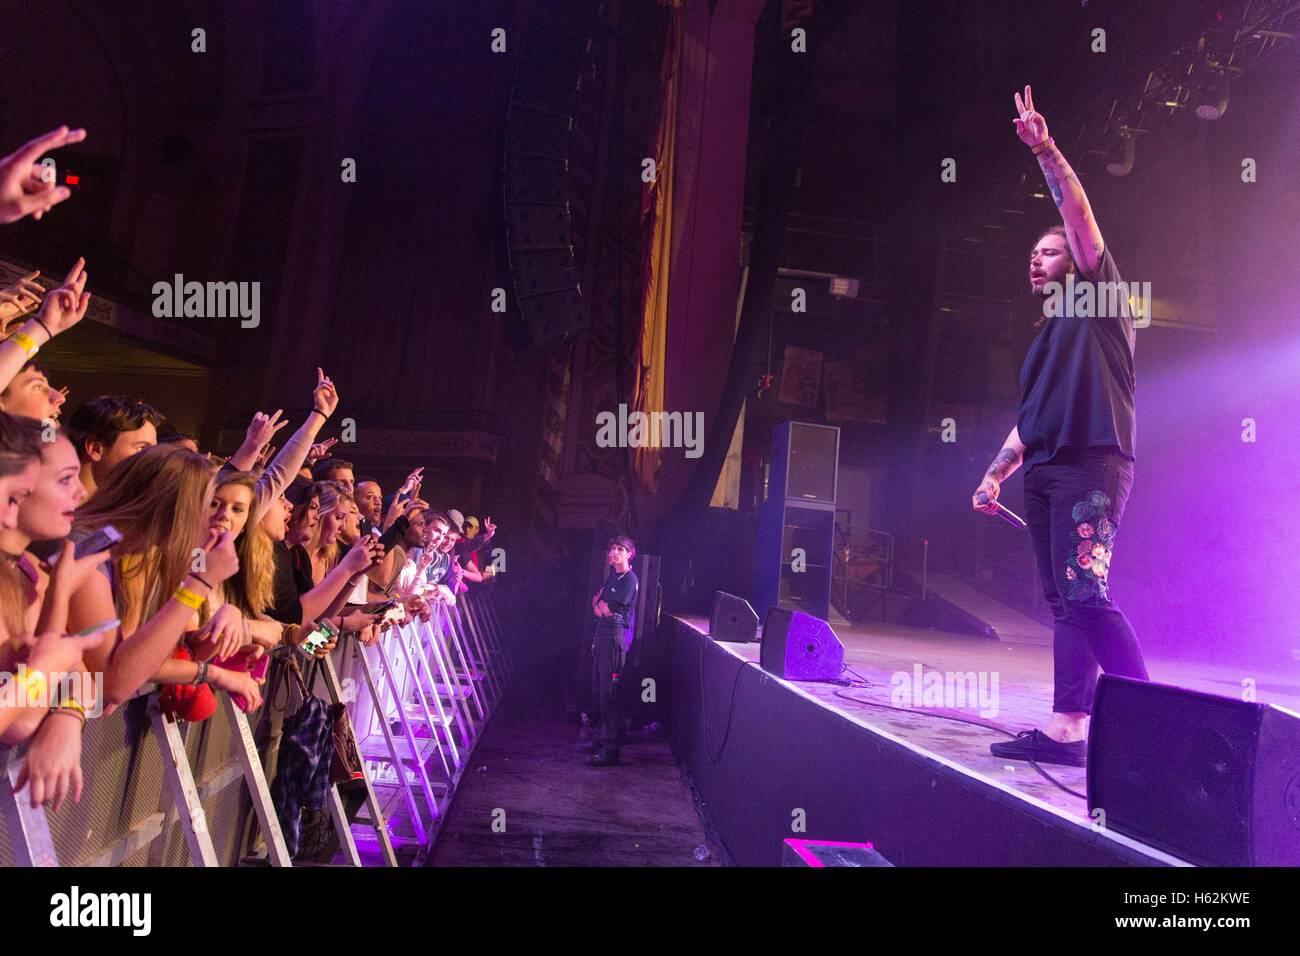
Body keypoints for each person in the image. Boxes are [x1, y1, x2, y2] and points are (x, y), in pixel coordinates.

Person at [974, 86, 1147, 768]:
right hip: (1046, 470)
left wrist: (1045, 150)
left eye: (1049, 251)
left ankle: (1151, 723)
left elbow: (1079, 213)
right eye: (1033, 254)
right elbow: (1029, 423)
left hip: (1092, 462)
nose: (1036, 258)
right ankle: (1069, 728)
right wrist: (993, 476)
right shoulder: (1046, 338)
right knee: (1063, 602)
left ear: (1076, 260)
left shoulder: (1102, 301)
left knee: (1085, 594)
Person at [584, 536, 638, 768]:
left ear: (629, 554)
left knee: (610, 692)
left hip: (614, 638)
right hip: (603, 636)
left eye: (619, 549)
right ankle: (601, 738)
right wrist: (600, 608)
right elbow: (598, 607)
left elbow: (606, 608)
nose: (613, 552)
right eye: (612, 548)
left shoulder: (629, 580)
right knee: (599, 690)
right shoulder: (613, 577)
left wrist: (600, 608)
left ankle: (612, 748)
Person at [64, 395, 164, 500]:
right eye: (142, 448)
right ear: (95, 448)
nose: (153, 459)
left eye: (153, 450)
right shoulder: (51, 511)